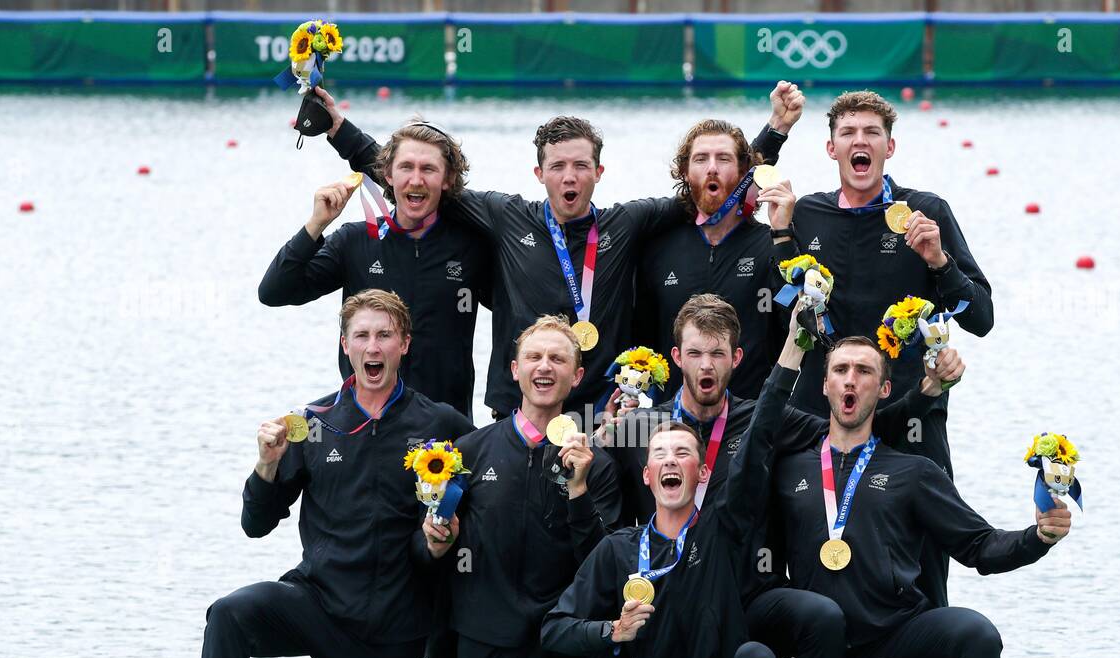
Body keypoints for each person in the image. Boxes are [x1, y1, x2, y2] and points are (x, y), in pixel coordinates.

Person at [599, 291, 952, 658]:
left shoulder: (768, 418)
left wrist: (927, 391)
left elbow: (855, 431)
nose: (706, 364)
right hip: (669, 595)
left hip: (748, 595)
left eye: (718, 354)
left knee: (820, 618)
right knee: (610, 612)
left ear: (736, 360)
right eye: (695, 353)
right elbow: (610, 503)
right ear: (676, 358)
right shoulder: (639, 428)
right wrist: (595, 440)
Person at [313, 84, 804, 419]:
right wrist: (340, 131)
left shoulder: (626, 223)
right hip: (518, 406)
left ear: (599, 173)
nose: (570, 177)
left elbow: (712, 186)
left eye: (581, 166)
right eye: (558, 166)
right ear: (539, 173)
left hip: (603, 413)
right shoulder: (506, 217)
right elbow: (414, 179)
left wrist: (774, 132)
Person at [185, 290, 474, 658]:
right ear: (345, 345)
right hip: (316, 605)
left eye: (384, 335)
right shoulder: (311, 423)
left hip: (390, 629)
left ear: (404, 345)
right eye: (361, 335)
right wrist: (266, 465)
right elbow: (255, 524)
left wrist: (437, 542)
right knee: (227, 615)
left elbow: (462, 522)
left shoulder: (443, 426)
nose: (373, 346)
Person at [768, 336, 1072, 658]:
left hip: (898, 640)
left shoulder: (914, 472)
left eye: (864, 371)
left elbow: (979, 546)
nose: (851, 379)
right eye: (841, 369)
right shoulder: (787, 472)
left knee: (976, 634)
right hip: (831, 656)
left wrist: (1038, 537)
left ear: (884, 388)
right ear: (824, 385)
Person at [542, 306, 821, 658]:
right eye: (662, 454)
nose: (672, 461)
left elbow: (759, 436)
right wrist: (612, 631)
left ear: (702, 472)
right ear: (647, 476)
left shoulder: (721, 527)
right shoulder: (623, 550)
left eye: (684, 454)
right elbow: (554, 630)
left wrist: (793, 350)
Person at [790, 88, 996, 658]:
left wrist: (939, 263)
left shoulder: (924, 215)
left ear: (889, 146)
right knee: (836, 584)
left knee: (926, 596)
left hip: (913, 434)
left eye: (872, 131)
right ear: (830, 148)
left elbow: (982, 316)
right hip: (831, 437)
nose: (860, 141)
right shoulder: (807, 216)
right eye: (847, 131)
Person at [421, 317, 624, 658]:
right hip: (493, 629)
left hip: (563, 625)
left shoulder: (595, 462)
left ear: (577, 377)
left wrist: (578, 490)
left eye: (558, 359)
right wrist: (435, 542)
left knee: (623, 630)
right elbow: (423, 547)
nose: (544, 367)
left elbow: (605, 565)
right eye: (534, 357)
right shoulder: (468, 452)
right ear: (514, 370)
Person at [258, 119, 492, 417]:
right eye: (406, 167)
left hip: (446, 431)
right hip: (367, 425)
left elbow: (517, 308)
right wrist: (316, 225)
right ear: (387, 175)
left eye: (428, 169)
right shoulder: (355, 241)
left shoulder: (472, 245)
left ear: (447, 180)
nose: (416, 180)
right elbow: (274, 291)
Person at [633, 108, 806, 400]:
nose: (712, 168)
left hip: (750, 422)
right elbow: (640, 342)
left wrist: (783, 234)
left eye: (723, 159)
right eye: (701, 159)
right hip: (674, 428)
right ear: (685, 173)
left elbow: (802, 328)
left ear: (742, 173)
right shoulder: (657, 250)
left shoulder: (773, 244)